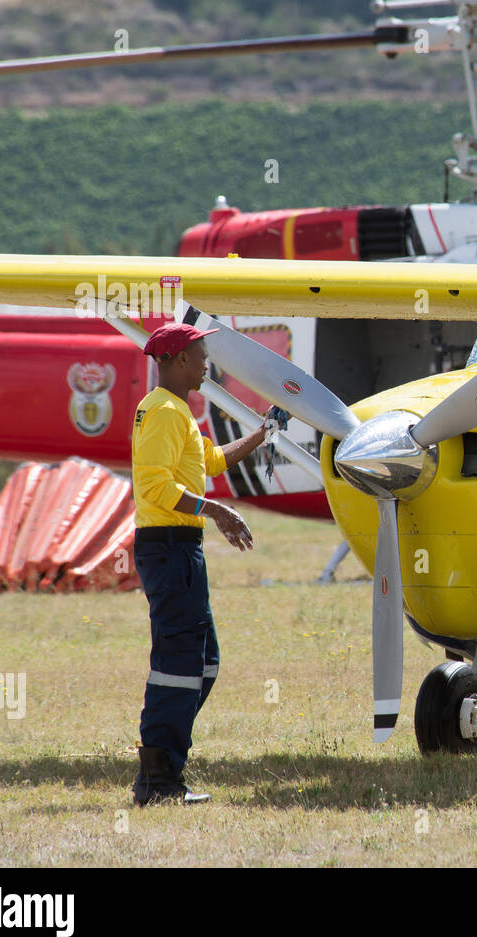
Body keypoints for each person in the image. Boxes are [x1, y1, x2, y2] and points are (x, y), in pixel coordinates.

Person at [130, 322, 271, 806]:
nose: (207, 363)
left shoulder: (176, 412)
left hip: (180, 547)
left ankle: (164, 764)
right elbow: (153, 487)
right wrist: (217, 510)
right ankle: (158, 781)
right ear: (178, 360)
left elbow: (209, 462)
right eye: (201, 354)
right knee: (179, 663)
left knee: (203, 661)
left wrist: (264, 431)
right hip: (168, 546)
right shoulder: (164, 412)